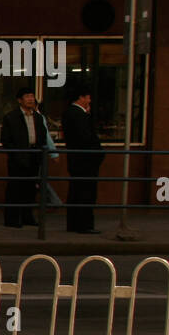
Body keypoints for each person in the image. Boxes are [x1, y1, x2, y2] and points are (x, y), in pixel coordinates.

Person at [0, 88, 47, 227]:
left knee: (30, 189)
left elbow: (42, 136)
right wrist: (15, 154)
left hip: (34, 156)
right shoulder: (11, 117)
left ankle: (28, 217)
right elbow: (6, 140)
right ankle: (12, 219)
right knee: (15, 189)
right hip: (18, 157)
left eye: (32, 96)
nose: (31, 99)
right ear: (20, 100)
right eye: (27, 96)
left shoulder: (38, 117)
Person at [61, 84, 104, 234]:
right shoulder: (79, 115)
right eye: (88, 97)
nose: (90, 100)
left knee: (76, 191)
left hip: (77, 160)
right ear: (81, 97)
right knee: (85, 193)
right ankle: (84, 224)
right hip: (85, 160)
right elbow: (86, 137)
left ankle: (75, 224)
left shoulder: (69, 113)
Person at [36, 102, 62, 210]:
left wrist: (53, 153)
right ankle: (53, 200)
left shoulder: (38, 118)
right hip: (38, 152)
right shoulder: (39, 117)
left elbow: (46, 136)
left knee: (38, 179)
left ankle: (54, 200)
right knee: (39, 179)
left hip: (37, 153)